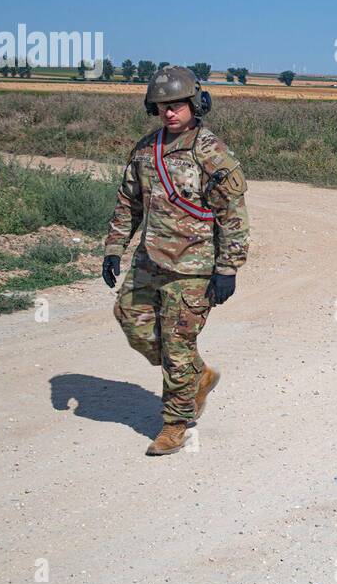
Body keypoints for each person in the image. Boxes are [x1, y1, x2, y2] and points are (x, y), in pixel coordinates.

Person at [102, 66, 250, 456]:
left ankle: (174, 424)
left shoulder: (210, 151)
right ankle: (196, 377)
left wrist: (227, 268)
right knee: (130, 320)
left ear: (194, 104)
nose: (170, 113)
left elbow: (232, 212)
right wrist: (114, 247)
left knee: (177, 344)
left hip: (194, 267)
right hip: (149, 260)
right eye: (162, 106)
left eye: (177, 105)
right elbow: (128, 202)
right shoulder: (146, 149)